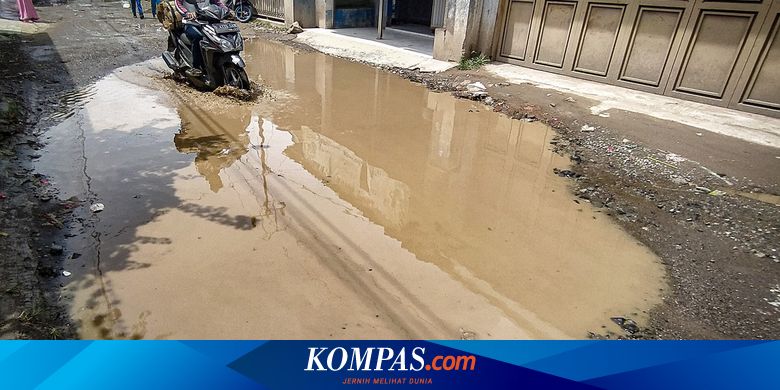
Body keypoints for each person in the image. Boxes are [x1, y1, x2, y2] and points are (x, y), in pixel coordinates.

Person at [174, 0, 229, 76]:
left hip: (209, 20)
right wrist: (186, 13)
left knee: (223, 35)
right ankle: (196, 67)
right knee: (198, 37)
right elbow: (177, 3)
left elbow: (217, 2)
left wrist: (226, 10)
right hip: (191, 22)